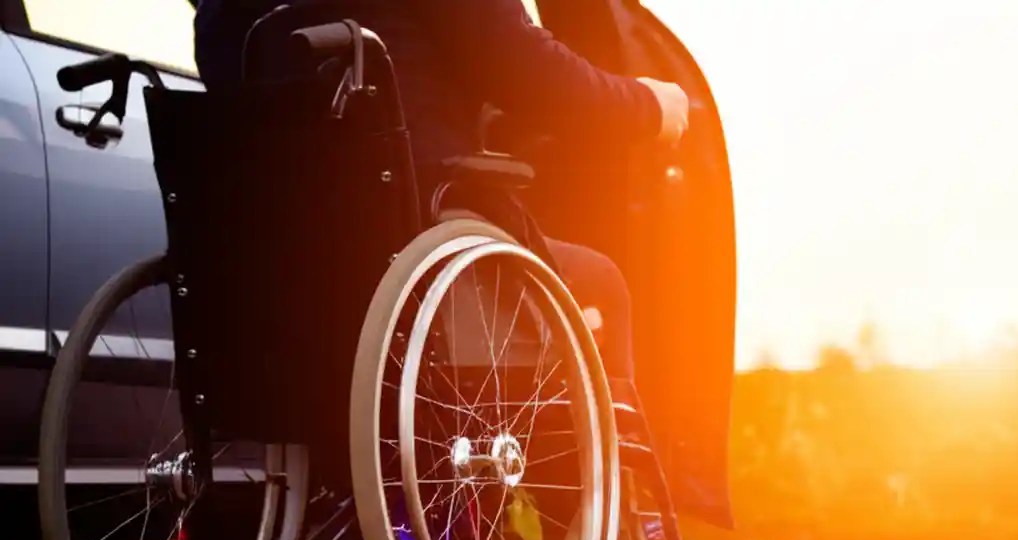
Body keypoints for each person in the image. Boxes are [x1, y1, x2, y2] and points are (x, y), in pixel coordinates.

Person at [192, 0, 689, 380]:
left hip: (279, 254)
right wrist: (649, 106)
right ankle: (602, 510)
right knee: (601, 282)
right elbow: (524, 70)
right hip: (409, 236)